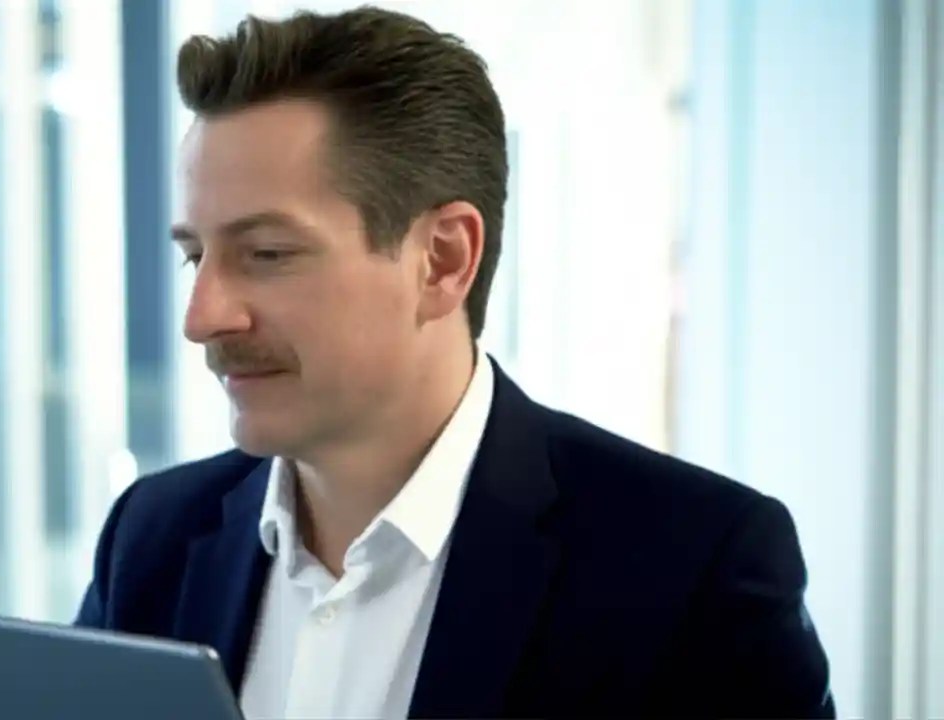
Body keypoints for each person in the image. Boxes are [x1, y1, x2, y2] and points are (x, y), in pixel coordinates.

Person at [75, 6, 834, 718]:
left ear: (442, 260)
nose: (203, 318)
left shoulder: (690, 568)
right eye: (194, 256)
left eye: (267, 254)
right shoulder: (152, 538)